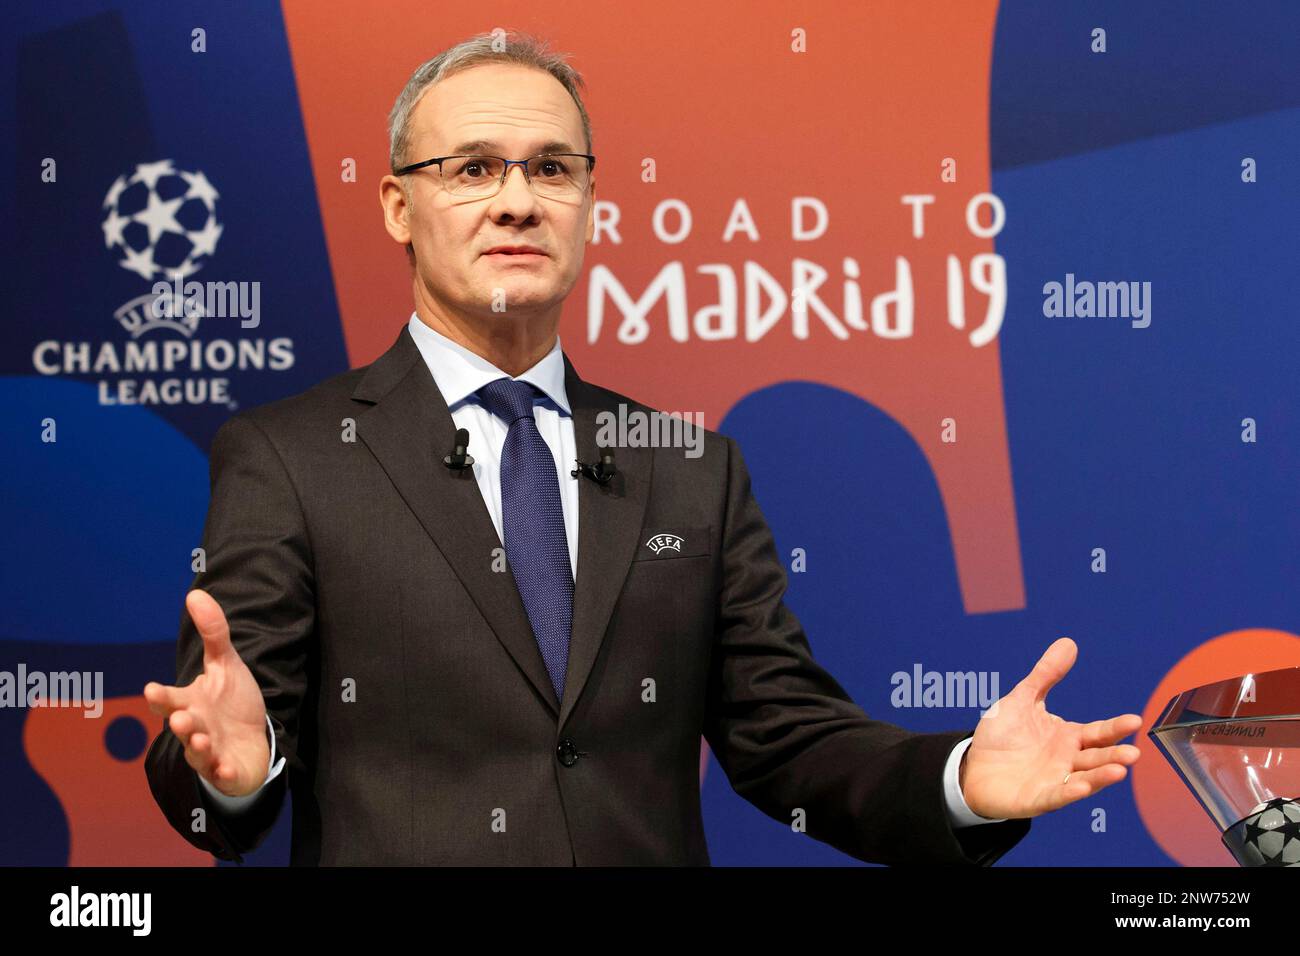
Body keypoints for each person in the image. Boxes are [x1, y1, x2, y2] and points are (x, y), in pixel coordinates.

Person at [142, 31, 1141, 866]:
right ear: (399, 206)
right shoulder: (289, 456)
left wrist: (962, 778)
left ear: (589, 203)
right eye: (473, 168)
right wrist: (235, 764)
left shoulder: (687, 468)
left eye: (551, 168)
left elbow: (784, 738)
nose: (518, 200)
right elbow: (220, 761)